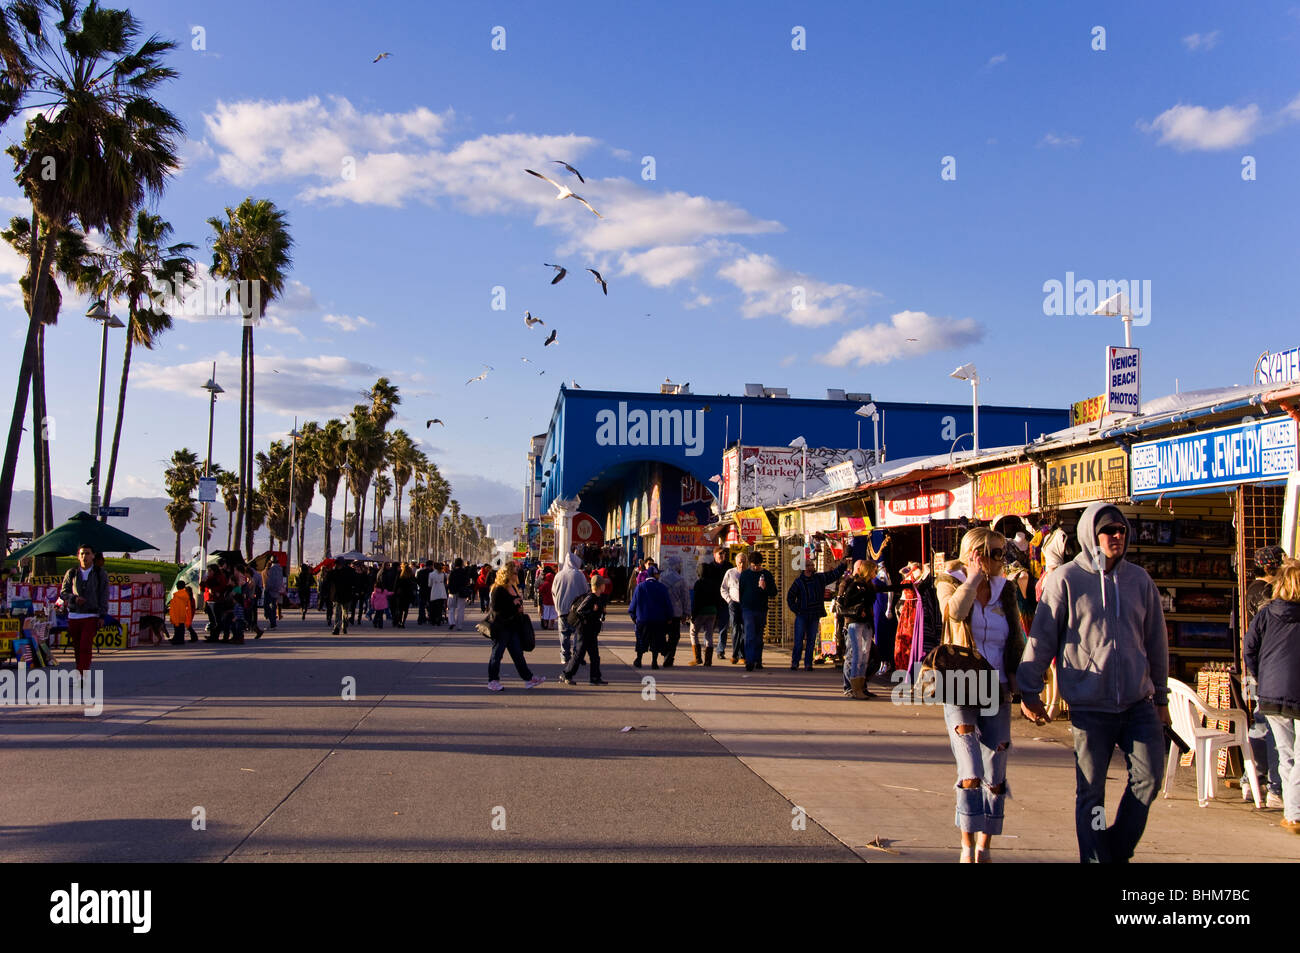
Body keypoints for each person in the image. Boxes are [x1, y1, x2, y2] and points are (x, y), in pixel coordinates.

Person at [1018, 501, 1170, 864]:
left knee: (1149, 778)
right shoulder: (1067, 578)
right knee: (1092, 793)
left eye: (1121, 530)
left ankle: (1114, 851)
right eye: (1109, 531)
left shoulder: (1139, 580)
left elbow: (1156, 641)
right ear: (1090, 535)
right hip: (1090, 706)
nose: (1117, 536)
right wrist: (1030, 688)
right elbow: (1042, 637)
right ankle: (1095, 857)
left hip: (1138, 703)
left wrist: (1161, 697)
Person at [935, 528, 1026, 863]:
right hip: (961, 686)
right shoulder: (949, 580)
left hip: (998, 688)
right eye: (995, 553)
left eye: (1004, 553)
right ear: (976, 553)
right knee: (971, 771)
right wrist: (972, 579)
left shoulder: (1007, 590)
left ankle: (986, 846)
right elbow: (955, 613)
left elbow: (1016, 636)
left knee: (996, 775)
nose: (1002, 560)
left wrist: (1021, 683)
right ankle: (966, 844)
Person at [1244, 558, 1300, 832]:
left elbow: (1249, 649)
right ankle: (1294, 812)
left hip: (1271, 692)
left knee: (1287, 754)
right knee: (1297, 755)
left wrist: (1262, 676)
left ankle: (1293, 812)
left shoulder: (1266, 614)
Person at [1244, 545, 1287, 808]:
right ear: (1270, 567)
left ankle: (1252, 781)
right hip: (1267, 669)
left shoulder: (1254, 590)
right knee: (1267, 726)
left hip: (1261, 667)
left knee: (1260, 725)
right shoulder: (1265, 594)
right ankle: (1272, 785)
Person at [487, 564, 545, 692]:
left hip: (513, 626)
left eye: (516, 573)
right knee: (497, 654)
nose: (515, 575)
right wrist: (512, 604)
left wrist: (518, 608)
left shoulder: (513, 587)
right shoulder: (498, 589)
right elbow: (496, 608)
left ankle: (528, 678)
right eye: (513, 573)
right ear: (506, 574)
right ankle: (493, 680)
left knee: (518, 654)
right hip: (501, 627)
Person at [786, 555, 849, 671]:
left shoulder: (819, 578)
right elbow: (790, 597)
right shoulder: (799, 582)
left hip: (814, 614)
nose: (813, 567)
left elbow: (833, 575)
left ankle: (808, 664)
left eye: (812, 565)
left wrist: (843, 565)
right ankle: (795, 662)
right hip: (802, 614)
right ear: (805, 568)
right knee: (799, 640)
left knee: (811, 640)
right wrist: (796, 609)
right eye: (810, 565)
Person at [836, 560, 879, 699]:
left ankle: (861, 686)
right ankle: (851, 687)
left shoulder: (869, 585)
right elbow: (844, 603)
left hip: (866, 623)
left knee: (865, 655)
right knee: (855, 655)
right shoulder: (852, 583)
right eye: (873, 570)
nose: (876, 573)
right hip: (853, 622)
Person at [559, 575, 608, 686]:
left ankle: (595, 677)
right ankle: (566, 674)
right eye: (604, 584)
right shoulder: (590, 597)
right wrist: (592, 610)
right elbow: (580, 611)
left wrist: (601, 612)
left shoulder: (597, 598)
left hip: (591, 631)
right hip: (584, 630)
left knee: (595, 656)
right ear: (600, 586)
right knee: (579, 655)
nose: (605, 586)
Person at [737, 551, 775, 671]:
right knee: (749, 635)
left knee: (759, 636)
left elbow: (774, 592)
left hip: (761, 609)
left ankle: (758, 659)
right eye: (753, 565)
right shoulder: (745, 575)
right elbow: (741, 591)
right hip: (748, 609)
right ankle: (750, 661)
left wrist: (765, 588)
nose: (755, 567)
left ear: (761, 564)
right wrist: (742, 605)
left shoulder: (767, 575)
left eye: (757, 565)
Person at [628, 568, 673, 669]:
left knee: (641, 641)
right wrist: (669, 617)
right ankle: (654, 662)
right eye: (658, 574)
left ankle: (639, 660)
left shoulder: (640, 587)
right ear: (655, 575)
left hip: (642, 620)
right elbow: (668, 604)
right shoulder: (662, 587)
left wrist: (634, 617)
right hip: (658, 620)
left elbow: (633, 605)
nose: (659, 576)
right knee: (656, 641)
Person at [552, 551, 589, 666]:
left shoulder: (558, 575)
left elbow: (553, 592)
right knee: (578, 634)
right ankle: (577, 656)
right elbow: (585, 591)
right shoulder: (579, 575)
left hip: (562, 610)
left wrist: (557, 606)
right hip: (577, 611)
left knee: (564, 635)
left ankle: (565, 656)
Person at [659, 557, 691, 667]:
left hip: (662, 612)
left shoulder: (661, 578)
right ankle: (669, 655)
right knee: (674, 636)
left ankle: (665, 651)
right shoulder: (681, 580)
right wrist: (686, 613)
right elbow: (685, 597)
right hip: (676, 613)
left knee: (661, 634)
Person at [689, 562, 722, 666]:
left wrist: (693, 615)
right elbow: (718, 600)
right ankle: (708, 660)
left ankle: (697, 658)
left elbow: (696, 601)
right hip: (712, 612)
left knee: (693, 633)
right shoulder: (714, 583)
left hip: (701, 612)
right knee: (709, 634)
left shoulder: (698, 583)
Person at [722, 551, 747, 663]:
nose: (742, 565)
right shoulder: (730, 573)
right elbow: (723, 588)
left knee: (744, 630)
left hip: (746, 605)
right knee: (736, 628)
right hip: (734, 604)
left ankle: (741, 655)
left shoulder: (749, 573)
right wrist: (729, 600)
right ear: (736, 562)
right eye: (740, 562)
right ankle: (735, 654)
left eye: (744, 562)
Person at [447, 558, 472, 630]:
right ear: (461, 564)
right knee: (460, 609)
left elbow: (449, 582)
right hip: (462, 591)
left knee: (451, 608)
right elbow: (467, 582)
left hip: (453, 591)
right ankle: (459, 625)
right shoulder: (464, 572)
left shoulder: (452, 572)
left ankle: (452, 622)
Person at [331, 560, 354, 635]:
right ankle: (337, 628)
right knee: (337, 612)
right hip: (338, 596)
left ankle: (344, 625)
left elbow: (353, 582)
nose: (338, 566)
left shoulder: (349, 572)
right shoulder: (334, 572)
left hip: (346, 595)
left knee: (345, 613)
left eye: (338, 564)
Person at [264, 559, 285, 629]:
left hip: (270, 590)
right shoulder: (280, 569)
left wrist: (267, 588)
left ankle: (272, 622)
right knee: (274, 606)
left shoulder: (272, 569)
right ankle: (273, 623)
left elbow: (271, 581)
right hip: (277, 590)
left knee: (267, 606)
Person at [428, 561, 448, 627]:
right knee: (440, 607)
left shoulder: (431, 574)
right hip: (442, 591)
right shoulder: (442, 574)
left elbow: (429, 584)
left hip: (434, 591)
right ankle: (439, 620)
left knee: (433, 607)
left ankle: (433, 620)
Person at [415, 560, 432, 625]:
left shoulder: (420, 572)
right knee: (430, 605)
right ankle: (430, 617)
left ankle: (421, 619)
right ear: (431, 565)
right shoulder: (432, 572)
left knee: (421, 606)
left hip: (422, 590)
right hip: (429, 590)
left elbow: (417, 581)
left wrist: (421, 585)